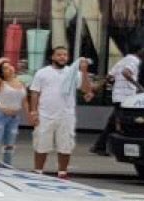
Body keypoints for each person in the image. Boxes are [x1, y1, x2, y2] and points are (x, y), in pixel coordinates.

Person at [31, 44, 96, 179]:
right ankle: (38, 172)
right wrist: (33, 111)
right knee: (41, 144)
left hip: (66, 115)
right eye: (59, 54)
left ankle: (62, 173)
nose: (62, 57)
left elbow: (86, 89)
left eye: (65, 55)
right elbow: (35, 93)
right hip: (45, 114)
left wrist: (84, 71)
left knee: (65, 145)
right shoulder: (42, 72)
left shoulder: (73, 73)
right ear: (52, 56)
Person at [93, 47, 143, 156]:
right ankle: (116, 148)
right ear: (140, 51)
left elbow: (109, 76)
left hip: (117, 96)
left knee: (113, 122)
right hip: (126, 97)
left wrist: (98, 87)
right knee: (122, 122)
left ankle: (99, 146)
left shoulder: (122, 60)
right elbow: (126, 73)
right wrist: (139, 87)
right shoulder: (135, 60)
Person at [0, 57, 29, 171]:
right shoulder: (1, 83)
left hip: (14, 117)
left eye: (9, 66)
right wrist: (2, 60)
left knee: (10, 145)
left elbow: (24, 101)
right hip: (0, 115)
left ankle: (7, 167)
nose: (8, 69)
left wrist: (29, 115)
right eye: (4, 68)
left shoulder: (21, 83)